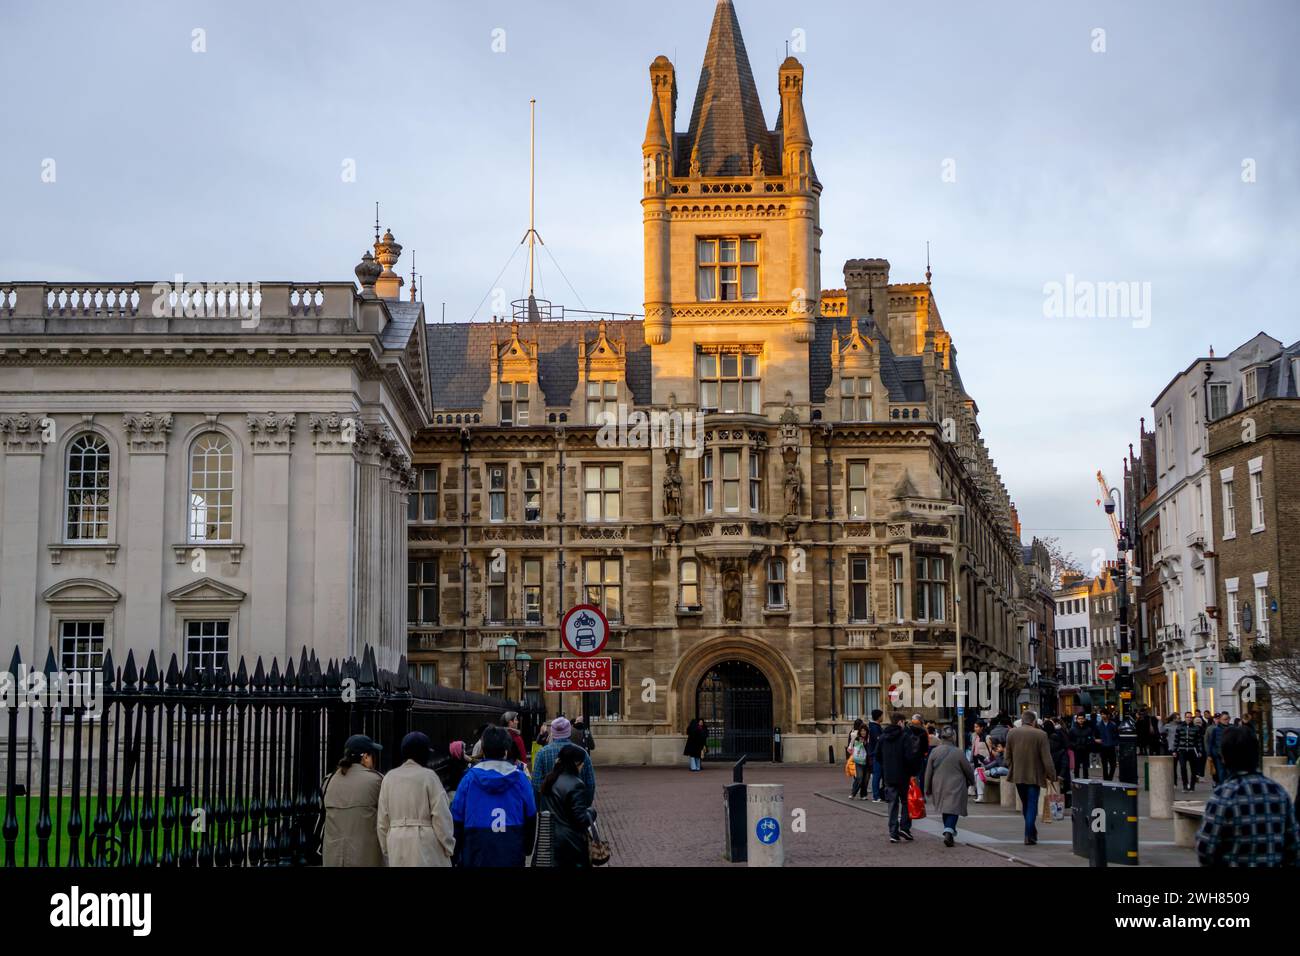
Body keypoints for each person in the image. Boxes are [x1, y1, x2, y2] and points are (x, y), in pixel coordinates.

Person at [1196, 726, 1300, 866]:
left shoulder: (1223, 796)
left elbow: (1206, 848)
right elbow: (1293, 845)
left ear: (1225, 758)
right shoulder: (1279, 793)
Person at [451, 726, 537, 867]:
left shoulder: (469, 779)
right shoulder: (520, 778)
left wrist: (456, 852)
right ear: (506, 751)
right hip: (511, 844)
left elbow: (457, 817)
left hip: (476, 846)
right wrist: (527, 847)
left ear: (483, 750)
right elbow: (531, 814)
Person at [377, 731, 456, 867]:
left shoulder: (389, 778)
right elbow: (441, 816)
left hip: (396, 840)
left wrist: (387, 847)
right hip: (424, 841)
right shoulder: (429, 776)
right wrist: (448, 845)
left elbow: (382, 821)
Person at [320, 734, 384, 867]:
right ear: (365, 757)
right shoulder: (377, 781)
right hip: (366, 857)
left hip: (334, 857)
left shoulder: (329, 780)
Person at [539, 744, 596, 867]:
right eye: (581, 763)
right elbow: (581, 819)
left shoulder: (549, 780)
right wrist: (591, 812)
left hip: (550, 839)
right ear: (575, 763)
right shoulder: (576, 784)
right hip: (570, 843)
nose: (583, 766)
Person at [1004, 710, 1056, 846]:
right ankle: (1028, 834)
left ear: (1022, 720)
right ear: (1033, 721)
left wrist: (1013, 768)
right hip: (1035, 775)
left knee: (1026, 804)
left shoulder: (1012, 733)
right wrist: (1052, 775)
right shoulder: (1041, 735)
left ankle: (1031, 832)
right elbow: (1047, 758)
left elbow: (1007, 757)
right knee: (1032, 804)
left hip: (1018, 775)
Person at [924, 725, 975, 847]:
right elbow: (968, 769)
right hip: (956, 785)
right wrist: (972, 781)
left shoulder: (935, 751)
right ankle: (948, 830)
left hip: (939, 785)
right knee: (954, 809)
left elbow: (928, 771)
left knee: (945, 808)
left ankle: (949, 832)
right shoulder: (958, 752)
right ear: (953, 737)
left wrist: (927, 788)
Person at [531, 716, 596, 801]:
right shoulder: (582, 753)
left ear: (552, 733)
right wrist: (585, 805)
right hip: (575, 807)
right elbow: (590, 784)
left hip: (550, 809)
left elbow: (536, 784)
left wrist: (541, 806)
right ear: (569, 731)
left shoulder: (542, 754)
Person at [877, 713, 914, 843]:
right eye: (904, 722)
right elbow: (909, 757)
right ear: (900, 722)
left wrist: (886, 766)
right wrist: (911, 771)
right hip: (903, 776)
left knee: (892, 804)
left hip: (889, 775)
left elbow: (877, 755)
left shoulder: (882, 737)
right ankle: (904, 827)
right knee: (905, 802)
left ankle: (893, 832)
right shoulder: (905, 737)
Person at [1044, 718, 1072, 801]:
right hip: (1061, 770)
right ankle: (1064, 803)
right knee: (1063, 790)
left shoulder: (1044, 742)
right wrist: (1062, 774)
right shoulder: (1060, 737)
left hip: (1049, 771)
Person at [1175, 712, 1203, 792]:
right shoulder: (1179, 727)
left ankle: (1192, 786)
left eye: (1190, 717)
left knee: (1193, 769)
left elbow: (1199, 741)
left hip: (1192, 750)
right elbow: (1176, 739)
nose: (1189, 719)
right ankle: (1185, 785)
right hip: (1182, 750)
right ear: (1185, 717)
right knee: (1183, 767)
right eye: (1187, 717)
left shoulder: (1196, 728)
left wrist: (1200, 750)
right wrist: (1174, 750)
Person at [1204, 712, 1229, 785]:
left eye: (1227, 719)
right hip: (1218, 755)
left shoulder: (1231, 729)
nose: (1226, 721)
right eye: (1224, 719)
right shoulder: (1214, 729)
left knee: (1228, 773)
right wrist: (1209, 754)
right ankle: (1220, 786)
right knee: (1220, 772)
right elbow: (1209, 742)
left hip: (1229, 754)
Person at [1068, 713, 1093, 781]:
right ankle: (1076, 780)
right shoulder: (1072, 729)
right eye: (1079, 719)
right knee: (1076, 766)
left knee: (1085, 767)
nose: (1081, 720)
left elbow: (1091, 740)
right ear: (1076, 719)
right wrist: (1075, 746)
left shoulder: (1088, 729)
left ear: (1084, 719)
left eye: (1082, 718)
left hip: (1085, 750)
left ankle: (1086, 780)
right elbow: (1069, 741)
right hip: (1076, 750)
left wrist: (1088, 745)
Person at [1096, 710, 1120, 781]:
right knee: (1104, 766)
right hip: (1103, 747)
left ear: (1108, 715)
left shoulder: (1113, 724)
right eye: (1101, 714)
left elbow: (1117, 736)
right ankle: (1106, 780)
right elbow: (1095, 735)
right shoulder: (1098, 725)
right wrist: (1096, 740)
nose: (1103, 716)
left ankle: (1109, 778)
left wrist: (1115, 744)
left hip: (1111, 747)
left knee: (1113, 765)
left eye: (1104, 714)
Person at [849, 726, 871, 800]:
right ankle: (853, 793)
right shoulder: (858, 739)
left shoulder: (869, 739)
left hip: (867, 761)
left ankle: (863, 795)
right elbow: (853, 748)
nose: (863, 732)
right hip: (859, 761)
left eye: (864, 731)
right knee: (859, 777)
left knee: (866, 779)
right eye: (861, 731)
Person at [867, 710, 885, 801]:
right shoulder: (875, 728)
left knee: (878, 775)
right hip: (876, 754)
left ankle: (879, 795)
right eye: (882, 716)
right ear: (878, 717)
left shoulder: (876, 727)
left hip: (877, 754)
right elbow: (879, 740)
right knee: (877, 775)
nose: (883, 717)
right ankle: (876, 796)